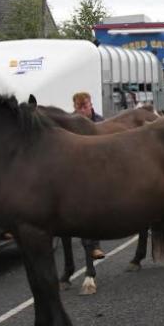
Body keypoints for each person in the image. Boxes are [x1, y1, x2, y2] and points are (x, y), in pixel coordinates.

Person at [72, 92, 104, 260]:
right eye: (79, 107)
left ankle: (95, 244)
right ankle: (92, 245)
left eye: (85, 106)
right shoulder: (71, 123)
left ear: (91, 105)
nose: (82, 111)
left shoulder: (99, 122)